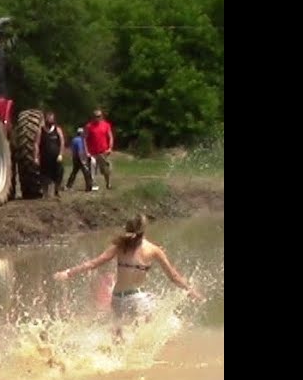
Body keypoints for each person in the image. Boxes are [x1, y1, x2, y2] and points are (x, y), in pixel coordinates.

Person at [53, 213, 202, 327]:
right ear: (144, 230)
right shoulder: (153, 250)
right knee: (169, 320)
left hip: (117, 299)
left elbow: (94, 263)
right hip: (136, 299)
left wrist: (67, 273)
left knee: (120, 333)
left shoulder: (120, 246)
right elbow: (174, 276)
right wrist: (190, 290)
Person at [65, 126, 93, 192]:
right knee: (86, 172)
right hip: (80, 157)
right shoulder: (80, 140)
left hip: (75, 158)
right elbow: (80, 150)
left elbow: (72, 149)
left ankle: (68, 185)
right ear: (81, 133)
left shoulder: (74, 139)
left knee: (74, 172)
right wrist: (83, 160)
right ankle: (88, 187)